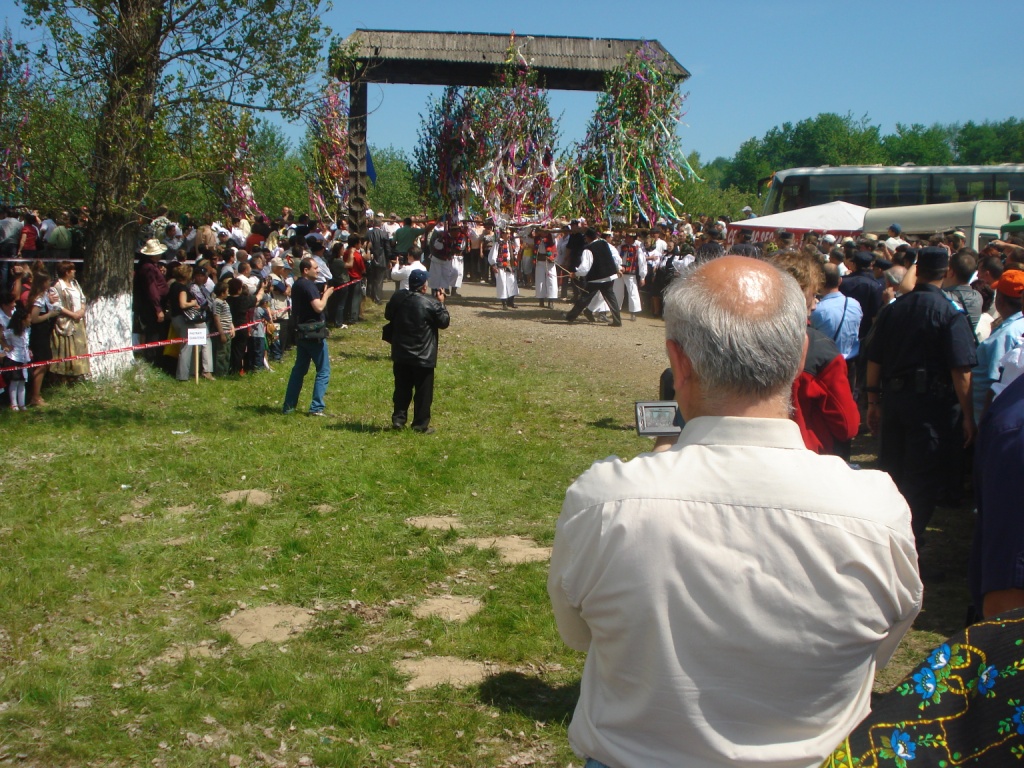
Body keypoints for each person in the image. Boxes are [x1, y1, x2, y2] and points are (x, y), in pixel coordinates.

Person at [548, 255, 922, 768]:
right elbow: (877, 651)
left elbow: (577, 634)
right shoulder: (877, 512)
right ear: (799, 357)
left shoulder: (603, 501)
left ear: (678, 363)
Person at [865, 247, 978, 544]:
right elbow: (961, 370)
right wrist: (968, 415)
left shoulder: (893, 309)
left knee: (892, 473)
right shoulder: (950, 313)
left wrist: (873, 402)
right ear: (947, 272)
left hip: (895, 402)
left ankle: (889, 537)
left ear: (918, 270)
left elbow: (874, 360)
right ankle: (908, 542)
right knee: (922, 479)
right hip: (931, 407)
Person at [384, 269, 449, 434]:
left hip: (401, 352)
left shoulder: (398, 298)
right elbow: (444, 322)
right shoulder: (431, 303)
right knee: (423, 393)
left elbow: (388, 314)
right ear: (424, 286)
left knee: (401, 388)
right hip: (423, 355)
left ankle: (398, 419)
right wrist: (441, 303)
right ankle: (420, 425)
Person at [282, 257, 334, 416]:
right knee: (323, 371)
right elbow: (318, 307)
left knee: (299, 370)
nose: (318, 270)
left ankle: (289, 406)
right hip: (313, 334)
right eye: (316, 268)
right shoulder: (308, 285)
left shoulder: (297, 285)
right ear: (306, 270)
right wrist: (326, 295)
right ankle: (317, 407)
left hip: (301, 332)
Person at [970, 269, 1024, 422]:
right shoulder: (1015, 326)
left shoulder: (1006, 334)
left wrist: (984, 427)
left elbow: (995, 385)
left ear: (1000, 300)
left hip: (988, 418)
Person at [563, 228, 622, 326]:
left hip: (596, 278)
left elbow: (585, 268)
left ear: (587, 237)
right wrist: (617, 268)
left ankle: (570, 317)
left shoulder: (588, 249)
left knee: (584, 298)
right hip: (609, 276)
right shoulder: (605, 243)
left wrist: (575, 274)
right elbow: (615, 257)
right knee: (612, 299)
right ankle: (617, 321)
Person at [49, 261, 90, 381]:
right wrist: (72, 314)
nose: (75, 271)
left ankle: (77, 374)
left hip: (78, 321)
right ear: (67, 272)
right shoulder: (56, 286)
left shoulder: (75, 284)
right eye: (72, 270)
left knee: (79, 347)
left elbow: (82, 298)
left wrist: (82, 310)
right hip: (65, 322)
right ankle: (65, 376)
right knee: (67, 349)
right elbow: (57, 306)